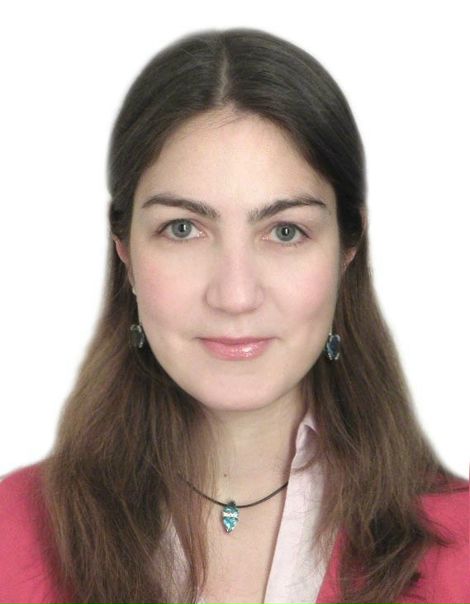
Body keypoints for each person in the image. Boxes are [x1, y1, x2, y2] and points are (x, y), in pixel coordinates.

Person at [0, 27, 468, 604]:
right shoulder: (10, 533)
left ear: (348, 248)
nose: (236, 295)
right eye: (183, 228)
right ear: (124, 250)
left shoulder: (461, 545)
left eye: (285, 231)